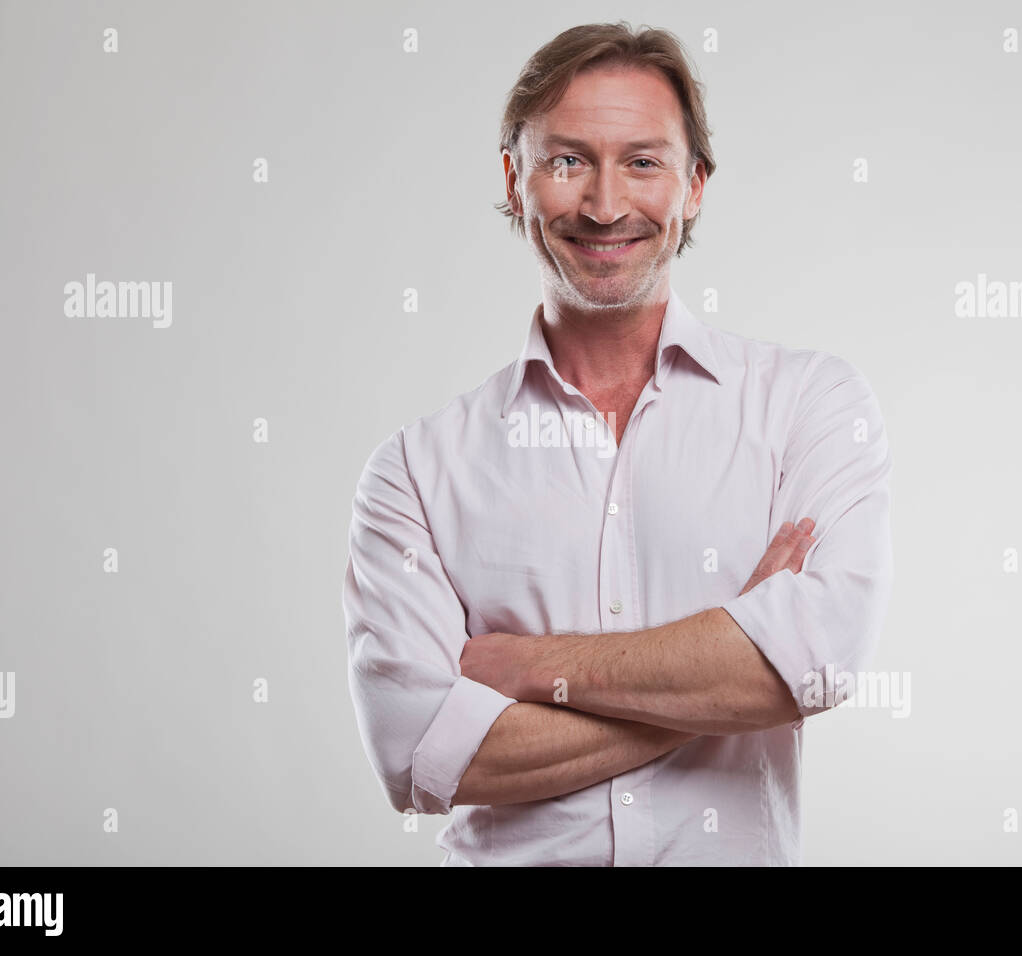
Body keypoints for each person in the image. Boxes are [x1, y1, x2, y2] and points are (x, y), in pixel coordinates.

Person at [342, 21, 893, 865]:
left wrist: (526, 668)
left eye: (643, 161)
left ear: (695, 184)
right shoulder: (415, 471)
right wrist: (726, 664)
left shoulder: (809, 405)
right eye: (567, 161)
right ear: (514, 180)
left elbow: (813, 662)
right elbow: (421, 753)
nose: (604, 206)